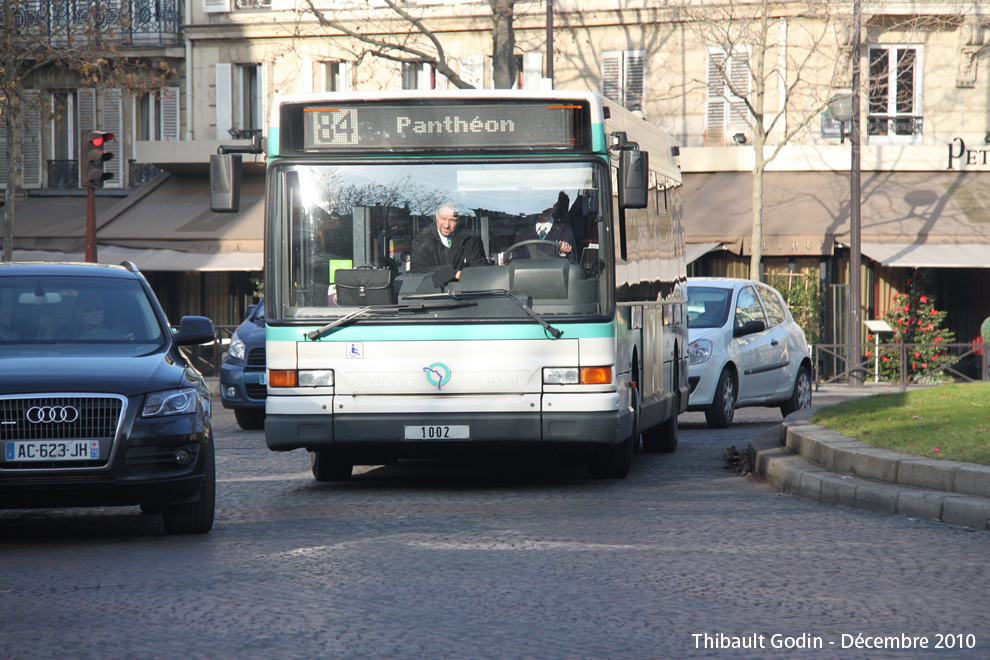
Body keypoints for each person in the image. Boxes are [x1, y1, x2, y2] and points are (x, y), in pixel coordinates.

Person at [410, 203, 487, 287]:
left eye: (452, 220)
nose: (446, 225)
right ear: (436, 216)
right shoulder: (422, 240)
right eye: (443, 219)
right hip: (432, 296)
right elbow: (419, 272)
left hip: (464, 293)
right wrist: (453, 274)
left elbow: (479, 270)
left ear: (459, 220)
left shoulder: (470, 239)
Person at [511, 200, 576, 260]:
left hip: (555, 272)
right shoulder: (523, 232)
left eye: (547, 204)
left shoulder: (564, 230)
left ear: (555, 205)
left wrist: (563, 252)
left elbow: (571, 261)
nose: (544, 209)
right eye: (541, 205)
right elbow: (516, 258)